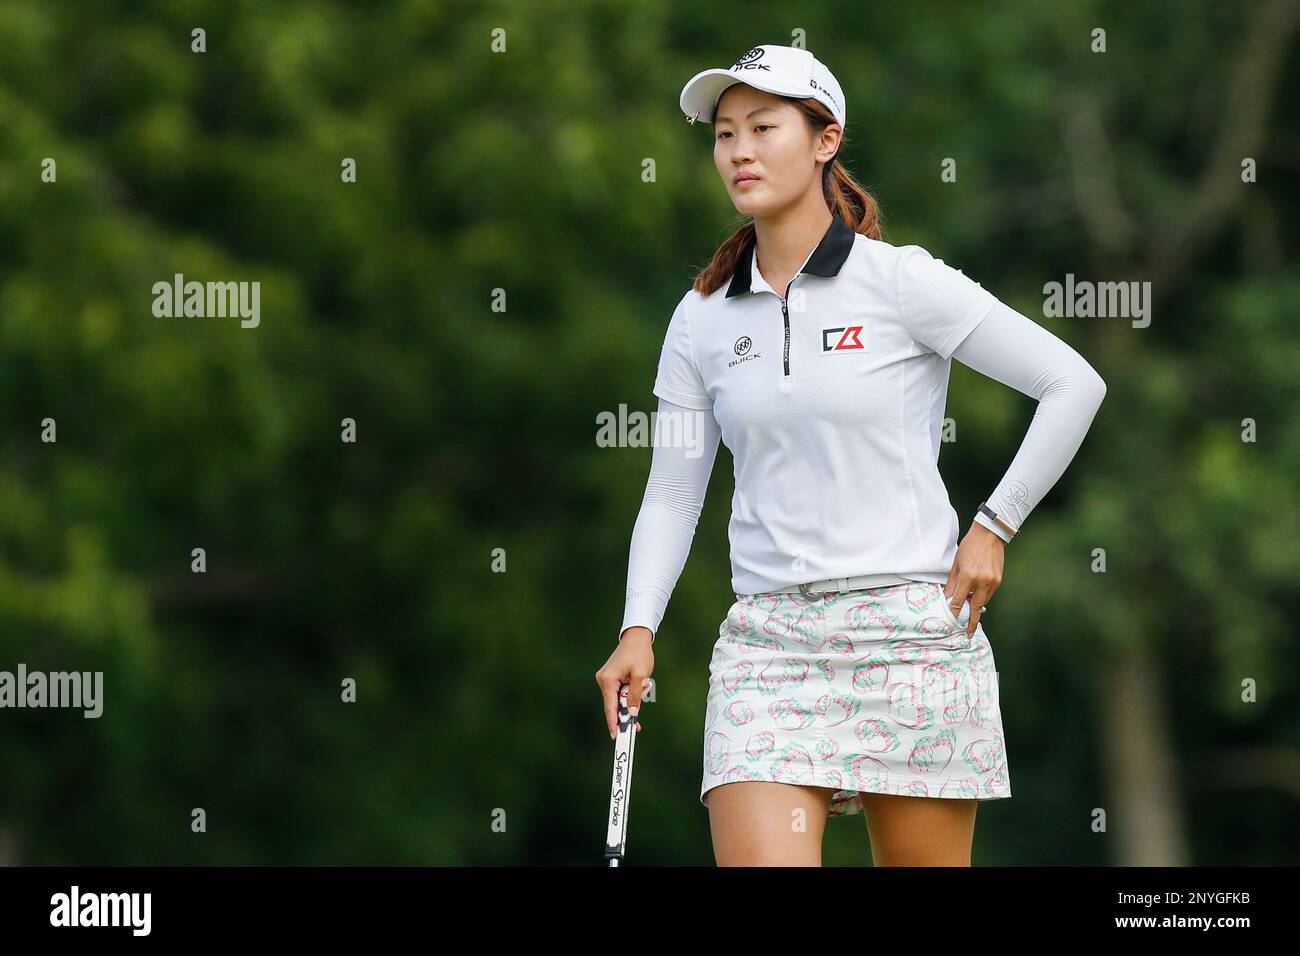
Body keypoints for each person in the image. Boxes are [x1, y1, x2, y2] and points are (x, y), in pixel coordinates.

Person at [594, 44, 1106, 866]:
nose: (740, 152)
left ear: (826, 140)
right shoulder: (700, 319)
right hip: (768, 647)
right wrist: (637, 627)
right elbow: (672, 494)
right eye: (724, 135)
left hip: (912, 634)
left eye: (764, 128)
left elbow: (1071, 383)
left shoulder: (901, 284)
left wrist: (994, 526)